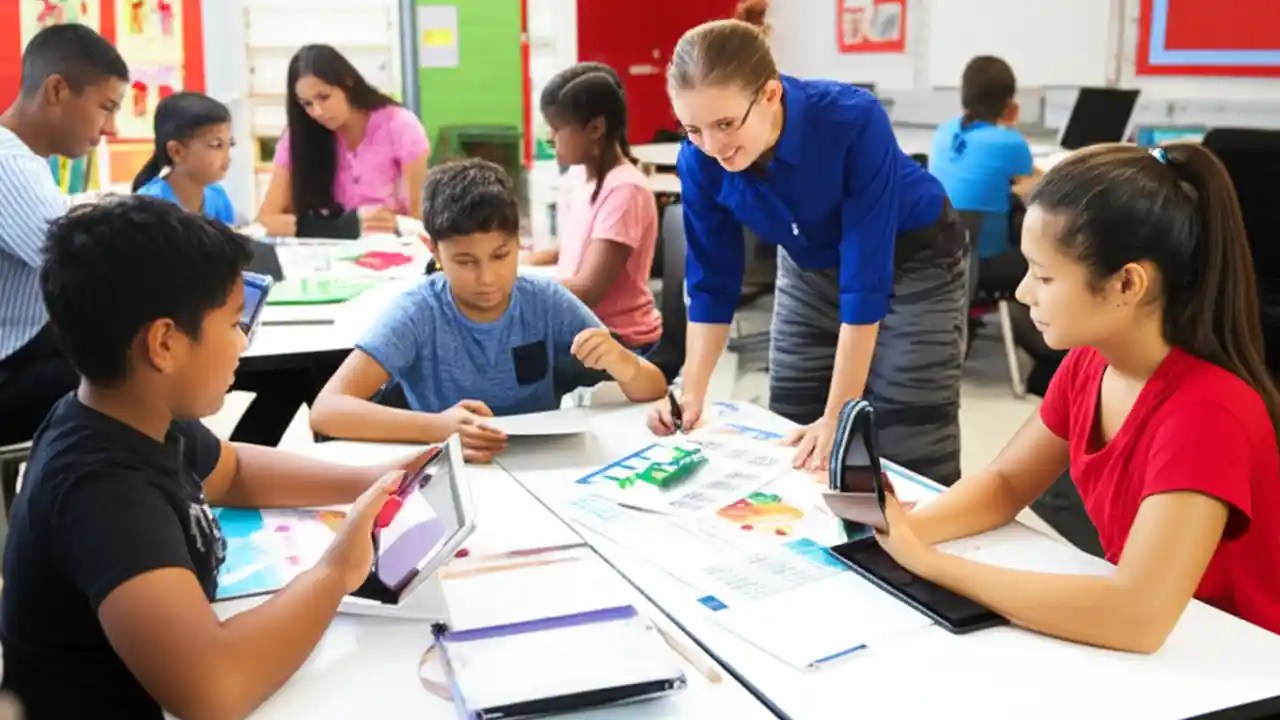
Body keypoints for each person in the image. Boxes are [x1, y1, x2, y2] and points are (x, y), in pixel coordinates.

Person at [0, 196, 426, 718]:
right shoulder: (104, 492)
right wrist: (336, 572)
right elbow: (214, 690)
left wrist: (369, 479)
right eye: (233, 323)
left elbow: (236, 471)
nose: (242, 343)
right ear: (164, 344)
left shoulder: (133, 410)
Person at [875, 143, 1280, 649]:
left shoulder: (1206, 414)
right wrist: (899, 531)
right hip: (1165, 647)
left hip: (1237, 666)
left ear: (1126, 283)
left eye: (1044, 276)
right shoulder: (1090, 364)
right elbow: (1005, 484)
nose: (1024, 293)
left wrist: (931, 564)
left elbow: (1136, 617)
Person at [648, 20, 969, 483]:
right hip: (809, 264)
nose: (713, 146)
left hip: (914, 258)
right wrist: (691, 392)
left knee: (908, 430)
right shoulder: (699, 158)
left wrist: (839, 414)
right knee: (794, 423)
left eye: (725, 124)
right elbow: (711, 280)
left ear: (771, 95)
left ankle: (923, 545)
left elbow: (865, 275)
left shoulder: (852, 119)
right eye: (693, 128)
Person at [310, 159, 668, 462]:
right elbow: (326, 411)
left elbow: (652, 389)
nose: (487, 278)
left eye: (501, 256)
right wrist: (437, 429)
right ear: (433, 250)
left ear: (519, 242)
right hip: (449, 471)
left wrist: (622, 363)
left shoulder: (544, 300)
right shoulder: (417, 312)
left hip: (541, 469)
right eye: (465, 261)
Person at [0, 24, 128, 446]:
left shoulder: (29, 163)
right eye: (105, 107)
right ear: (56, 90)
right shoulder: (8, 164)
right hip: (9, 366)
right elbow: (82, 266)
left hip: (25, 349)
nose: (109, 127)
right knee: (140, 384)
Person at [531, 62, 662, 378]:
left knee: (502, 370)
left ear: (595, 129)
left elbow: (588, 289)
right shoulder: (581, 178)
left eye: (557, 128)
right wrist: (514, 261)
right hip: (583, 332)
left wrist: (514, 288)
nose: (550, 138)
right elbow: (571, 254)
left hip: (618, 343)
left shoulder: (625, 190)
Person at [256, 44, 430, 237]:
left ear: (347, 82)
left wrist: (396, 224)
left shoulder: (399, 125)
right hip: (321, 253)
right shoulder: (298, 135)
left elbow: (419, 216)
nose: (317, 112)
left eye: (324, 97)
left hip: (392, 250)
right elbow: (265, 220)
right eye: (307, 104)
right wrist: (342, 227)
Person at [929, 56, 1042, 305]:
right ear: (1008, 103)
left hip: (936, 256)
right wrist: (1009, 126)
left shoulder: (943, 133)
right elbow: (1037, 191)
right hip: (986, 259)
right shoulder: (1011, 144)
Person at [132, 91, 237, 225]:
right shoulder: (148, 206)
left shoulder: (218, 197)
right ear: (177, 152)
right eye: (217, 145)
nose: (227, 156)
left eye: (230, 144)